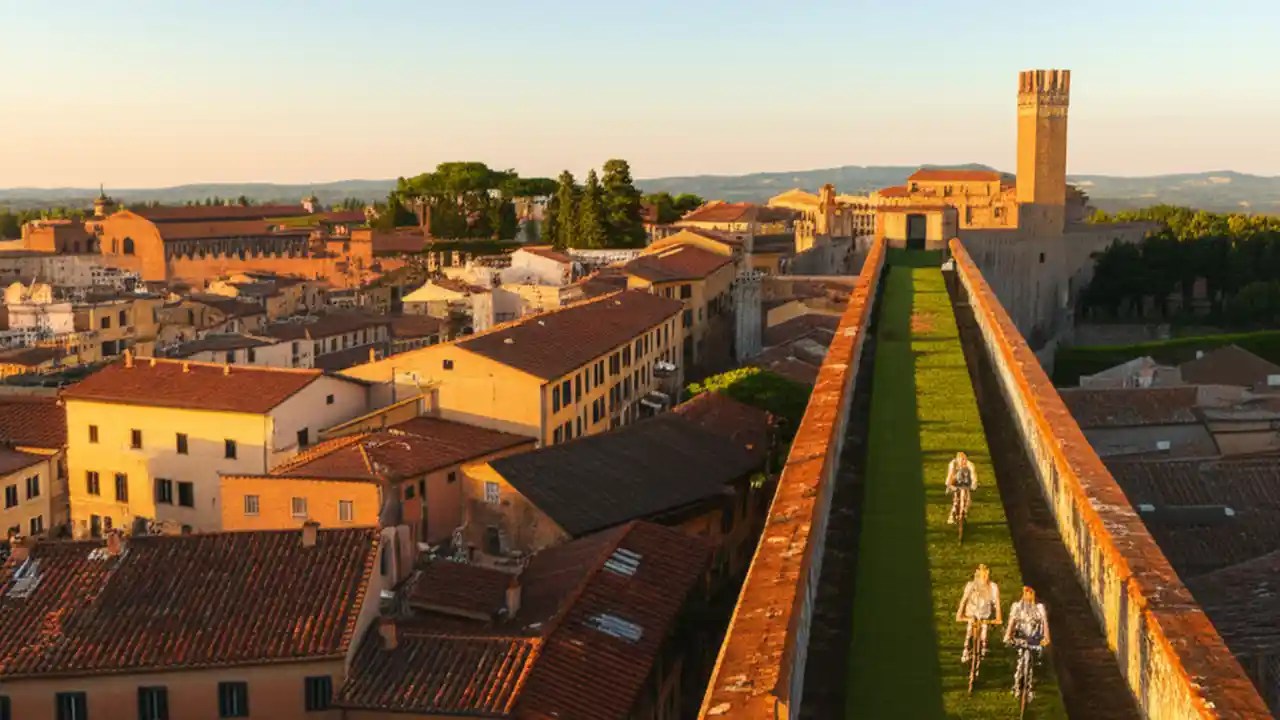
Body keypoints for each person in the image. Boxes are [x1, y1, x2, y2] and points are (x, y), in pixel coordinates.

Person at [1004, 586, 1051, 694]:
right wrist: (1008, 635)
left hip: (1034, 636)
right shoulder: (1017, 607)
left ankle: (1032, 678)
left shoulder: (1039, 608)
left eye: (1030, 594)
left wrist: (1046, 637)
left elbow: (1045, 623)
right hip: (1020, 636)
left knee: (1037, 655)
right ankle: (1016, 683)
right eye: (1026, 594)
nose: (1028, 596)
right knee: (1018, 656)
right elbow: (1012, 621)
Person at [955, 564, 1001, 663]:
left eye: (985, 575)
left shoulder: (993, 587)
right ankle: (966, 647)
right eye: (982, 575)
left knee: (984, 632)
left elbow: (997, 604)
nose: (984, 578)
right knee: (970, 628)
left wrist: (998, 618)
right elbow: (964, 600)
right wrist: (960, 615)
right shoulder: (971, 585)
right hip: (972, 612)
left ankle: (983, 647)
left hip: (984, 614)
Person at [946, 451, 977, 525]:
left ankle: (964, 512)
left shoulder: (970, 464)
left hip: (965, 482)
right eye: (961, 459)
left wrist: (974, 483)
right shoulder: (952, 464)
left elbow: (973, 475)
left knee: (968, 499)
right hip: (955, 482)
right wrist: (949, 485)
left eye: (964, 459)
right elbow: (949, 476)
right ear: (957, 459)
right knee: (956, 500)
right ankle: (952, 514)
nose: (963, 461)